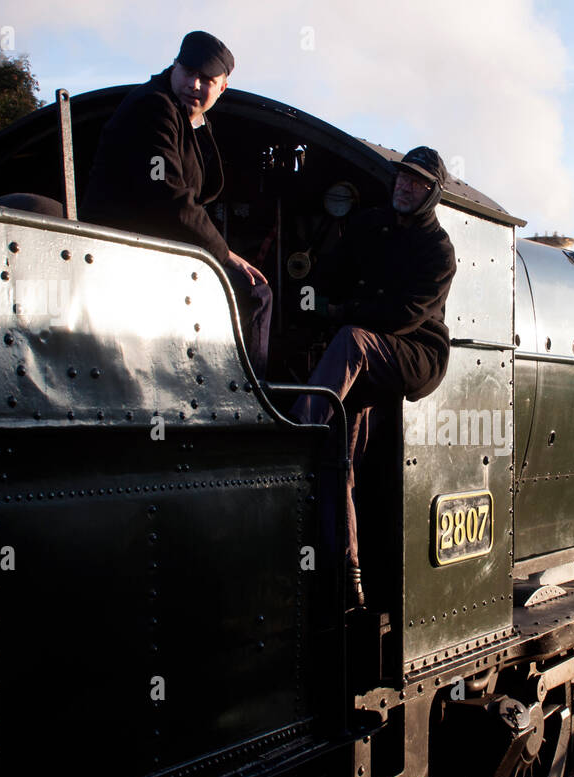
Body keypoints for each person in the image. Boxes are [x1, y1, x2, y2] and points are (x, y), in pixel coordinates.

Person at [294, 147, 457, 606]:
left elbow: (402, 316)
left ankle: (299, 424)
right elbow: (330, 275)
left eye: (418, 183)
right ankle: (348, 571)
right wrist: (307, 300)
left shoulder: (439, 250)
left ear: (433, 194)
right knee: (340, 460)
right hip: (366, 357)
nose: (406, 188)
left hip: (416, 353)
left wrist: (341, 312)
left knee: (352, 339)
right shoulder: (367, 225)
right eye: (403, 179)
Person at [81, 30, 272, 372]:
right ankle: (248, 389)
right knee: (253, 290)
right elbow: (169, 197)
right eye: (188, 73)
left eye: (206, 80)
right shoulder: (153, 107)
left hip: (154, 246)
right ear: (174, 67)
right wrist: (224, 254)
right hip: (128, 246)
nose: (194, 84)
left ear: (222, 88)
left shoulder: (188, 118)